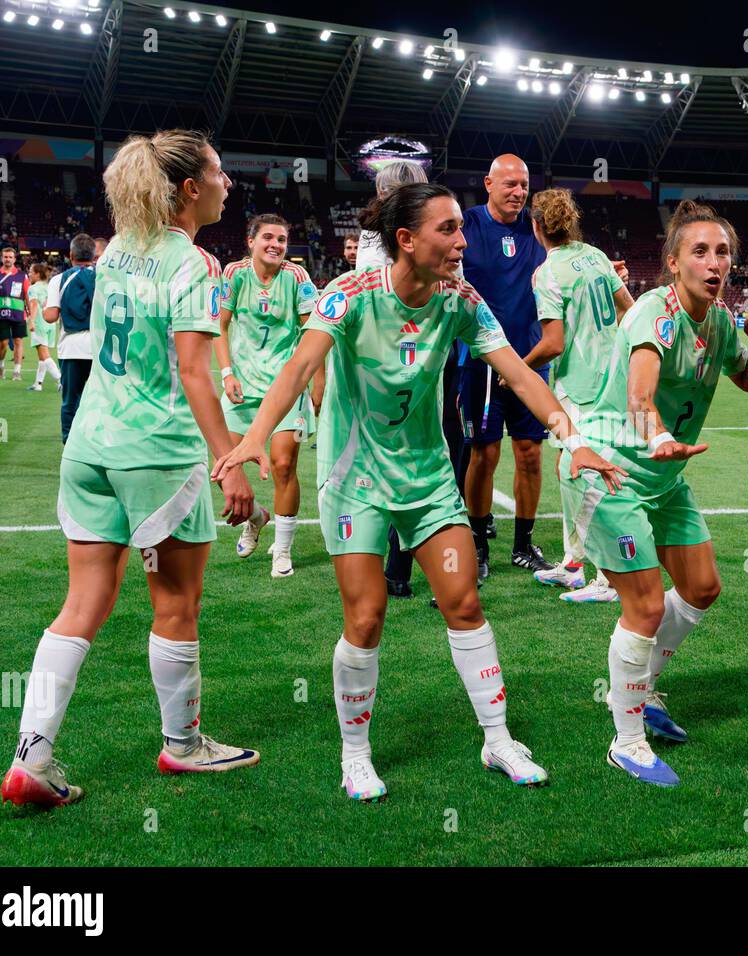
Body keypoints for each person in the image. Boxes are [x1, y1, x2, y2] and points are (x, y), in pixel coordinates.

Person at [212, 182, 624, 801]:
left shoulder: (460, 299)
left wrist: (573, 439)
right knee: (367, 616)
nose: (463, 242)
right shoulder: (347, 295)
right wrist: (253, 437)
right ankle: (355, 754)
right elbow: (300, 366)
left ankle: (497, 738)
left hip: (428, 481)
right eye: (449, 230)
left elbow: (515, 367)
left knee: (463, 603)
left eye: (461, 227)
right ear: (406, 240)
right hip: (356, 482)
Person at [1, 130, 261, 810]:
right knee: (175, 604)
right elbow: (193, 370)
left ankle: (31, 756)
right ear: (190, 190)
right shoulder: (192, 264)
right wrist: (229, 457)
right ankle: (183, 745)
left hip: (90, 446)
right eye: (219, 171)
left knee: (81, 604)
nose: (229, 182)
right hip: (156, 453)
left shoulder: (118, 247)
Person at [562, 200, 748, 787]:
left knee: (702, 587)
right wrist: (661, 436)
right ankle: (626, 742)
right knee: (645, 606)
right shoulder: (657, 313)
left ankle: (643, 689)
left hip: (663, 476)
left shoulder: (720, 320)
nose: (714, 261)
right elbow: (639, 396)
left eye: (722, 251)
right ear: (673, 263)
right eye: (699, 251)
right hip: (611, 472)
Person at [524, 188, 635, 602]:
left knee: (587, 472)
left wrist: (520, 365)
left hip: (582, 386)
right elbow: (629, 307)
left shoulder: (547, 272)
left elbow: (553, 343)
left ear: (537, 226)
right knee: (565, 467)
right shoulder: (596, 256)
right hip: (612, 378)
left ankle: (608, 579)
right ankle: (573, 564)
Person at [459, 154, 554, 578]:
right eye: (510, 184)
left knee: (530, 453)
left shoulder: (538, 228)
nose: (519, 192)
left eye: (524, 185)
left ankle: (522, 545)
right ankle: (477, 545)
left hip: (531, 359)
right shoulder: (467, 225)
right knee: (484, 453)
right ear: (489, 184)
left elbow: (569, 262)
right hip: (479, 361)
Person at [215, 214, 321, 577]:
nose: (276, 245)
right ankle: (257, 517)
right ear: (251, 242)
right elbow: (220, 325)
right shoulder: (233, 274)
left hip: (284, 390)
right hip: (241, 389)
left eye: (281, 239)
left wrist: (316, 382)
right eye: (268, 238)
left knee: (283, 465)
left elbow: (314, 334)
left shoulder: (297, 278)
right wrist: (227, 373)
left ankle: (284, 548)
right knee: (227, 467)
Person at [351, 158, 435, 599]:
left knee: (388, 457)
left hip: (382, 358)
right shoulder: (381, 233)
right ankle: (396, 563)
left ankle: (394, 563)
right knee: (409, 455)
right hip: (409, 356)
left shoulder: (375, 233)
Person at [45, 233, 99, 443]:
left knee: (70, 400)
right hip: (98, 347)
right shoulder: (102, 277)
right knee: (99, 399)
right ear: (94, 256)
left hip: (72, 348)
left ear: (70, 255)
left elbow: (50, 316)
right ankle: (97, 441)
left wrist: (42, 310)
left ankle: (69, 443)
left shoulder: (59, 279)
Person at [0, 246, 29, 381]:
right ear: (2, 258)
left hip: (19, 313)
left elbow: (27, 295)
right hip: (2, 314)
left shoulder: (22, 275)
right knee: (3, 343)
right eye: (5, 257)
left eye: (10, 257)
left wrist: (30, 313)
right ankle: (1, 366)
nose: (8, 259)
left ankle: (17, 371)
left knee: (18, 341)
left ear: (14, 259)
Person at [25, 261, 61, 393]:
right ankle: (38, 383)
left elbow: (34, 305)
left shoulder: (33, 288)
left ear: (37, 274)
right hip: (51, 324)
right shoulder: (50, 287)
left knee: (44, 355)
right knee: (42, 356)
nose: (29, 274)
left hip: (40, 322)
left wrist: (32, 321)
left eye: (30, 271)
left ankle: (61, 380)